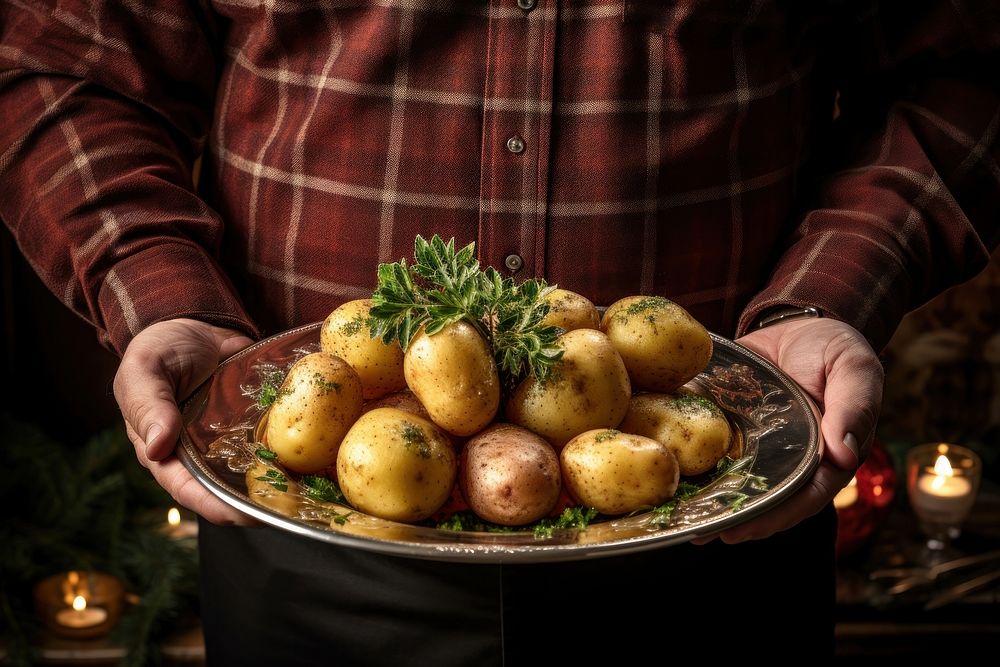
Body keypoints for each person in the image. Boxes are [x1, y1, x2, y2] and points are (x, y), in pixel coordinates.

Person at [2, 1, 997, 663]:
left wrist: (830, 293)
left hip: (721, 527)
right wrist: (161, 290)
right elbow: (57, 60)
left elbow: (963, 67)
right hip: (305, 537)